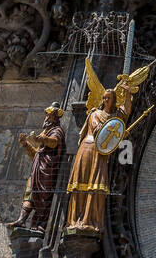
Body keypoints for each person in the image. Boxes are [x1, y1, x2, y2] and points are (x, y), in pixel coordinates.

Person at [66, 87, 129, 234]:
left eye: (109, 98)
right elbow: (100, 130)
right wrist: (117, 134)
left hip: (100, 154)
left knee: (97, 186)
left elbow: (125, 112)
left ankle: (92, 220)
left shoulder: (115, 115)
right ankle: (75, 220)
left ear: (114, 100)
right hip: (88, 149)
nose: (105, 100)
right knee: (81, 183)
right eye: (104, 98)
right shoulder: (95, 114)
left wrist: (127, 94)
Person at [10, 103, 65, 234]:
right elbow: (36, 156)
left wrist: (44, 139)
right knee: (30, 194)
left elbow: (54, 142)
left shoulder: (57, 131)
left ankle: (43, 224)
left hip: (48, 171)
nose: (46, 118)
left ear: (55, 118)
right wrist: (25, 144)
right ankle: (21, 219)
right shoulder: (45, 132)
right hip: (37, 171)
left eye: (49, 116)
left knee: (44, 198)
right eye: (46, 115)